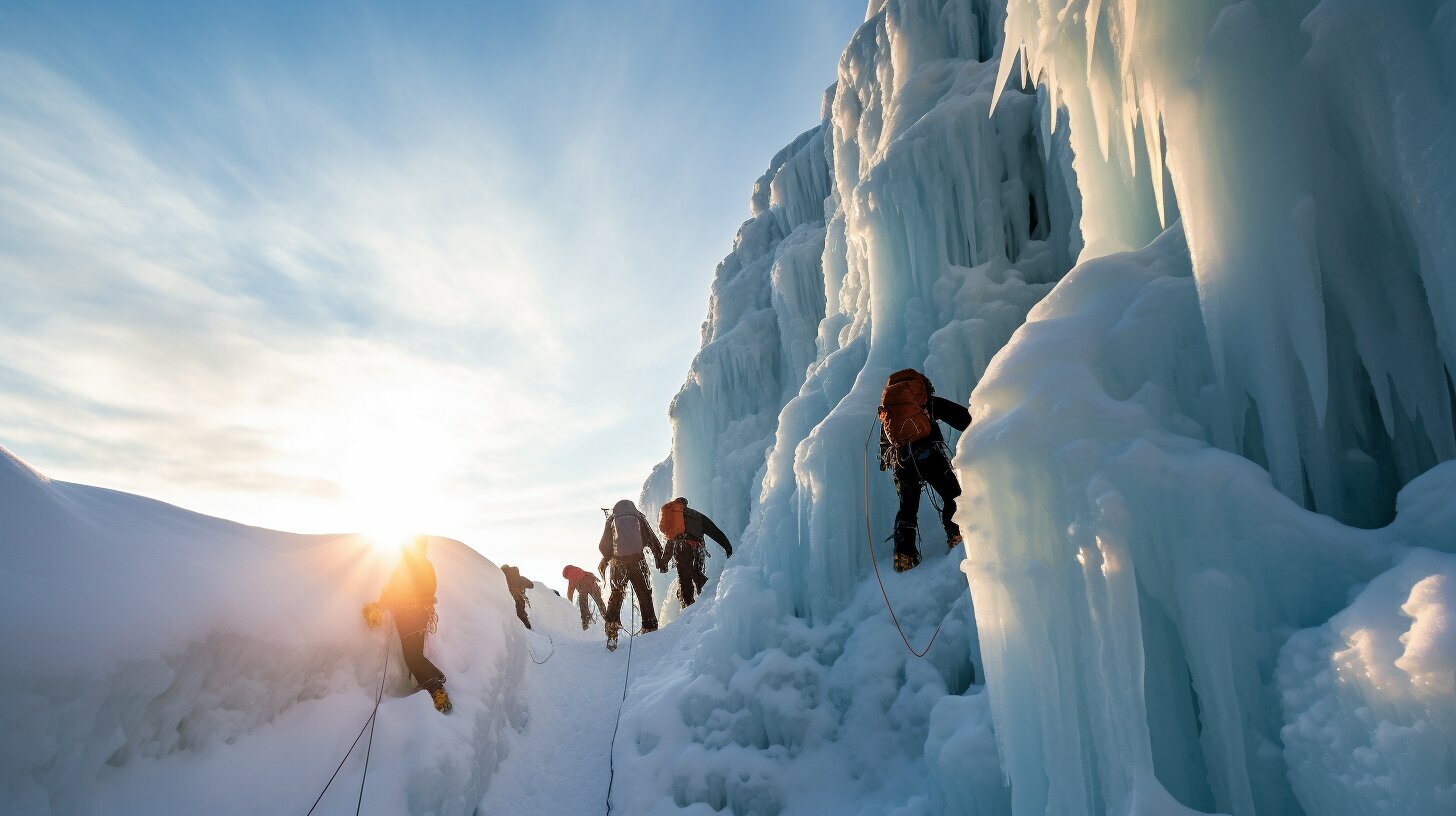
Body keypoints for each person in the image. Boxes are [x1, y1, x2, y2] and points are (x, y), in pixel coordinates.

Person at [878, 368, 971, 572]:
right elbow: (961, 418)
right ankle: (956, 534)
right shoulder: (925, 401)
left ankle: (904, 555)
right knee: (952, 494)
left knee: (908, 508)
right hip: (929, 456)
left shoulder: (889, 412)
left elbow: (884, 453)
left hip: (902, 463)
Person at [362, 535, 452, 714]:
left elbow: (394, 589)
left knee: (412, 657)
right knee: (414, 655)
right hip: (422, 614)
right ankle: (434, 687)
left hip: (409, 615)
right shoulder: (426, 564)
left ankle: (436, 689)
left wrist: (380, 607)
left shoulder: (406, 566)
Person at [597, 498, 664, 651]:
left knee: (616, 596)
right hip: (638, 562)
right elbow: (652, 540)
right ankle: (650, 629)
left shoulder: (612, 519)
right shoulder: (639, 517)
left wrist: (609, 557)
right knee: (644, 594)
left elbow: (603, 546)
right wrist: (659, 559)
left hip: (618, 564)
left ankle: (612, 634)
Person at [657, 497, 732, 608]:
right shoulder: (697, 515)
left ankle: (688, 605)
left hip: (680, 548)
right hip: (697, 549)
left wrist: (664, 561)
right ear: (685, 504)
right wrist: (727, 546)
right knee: (696, 572)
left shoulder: (673, 519)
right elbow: (714, 531)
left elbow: (670, 543)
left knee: (684, 579)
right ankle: (704, 597)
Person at [562, 564, 607, 630]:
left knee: (583, 604)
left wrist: (570, 602)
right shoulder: (579, 570)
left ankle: (585, 624)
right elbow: (590, 575)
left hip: (584, 586)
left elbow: (570, 590)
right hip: (591, 579)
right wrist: (597, 581)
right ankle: (607, 617)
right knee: (599, 601)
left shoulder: (571, 575)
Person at [501, 564, 534, 629]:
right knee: (522, 616)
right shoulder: (520, 578)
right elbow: (531, 585)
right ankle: (528, 630)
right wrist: (522, 586)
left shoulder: (501, 578)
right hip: (519, 600)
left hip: (506, 601)